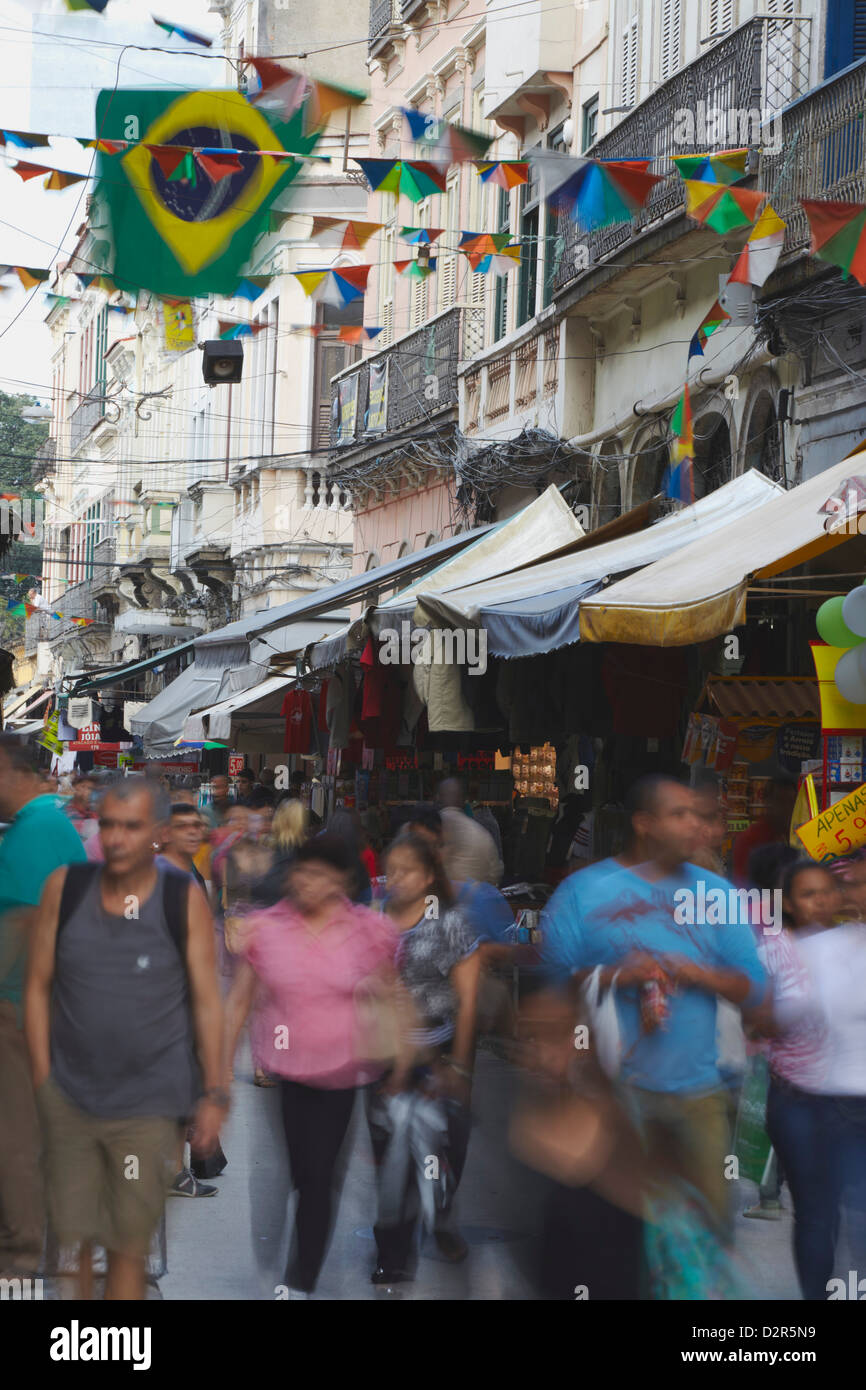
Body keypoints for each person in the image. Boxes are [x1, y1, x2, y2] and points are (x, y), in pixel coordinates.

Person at [24, 776, 226, 1300]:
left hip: (147, 1104)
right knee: (76, 1242)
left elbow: (208, 1002)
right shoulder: (65, 890)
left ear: (156, 833)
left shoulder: (182, 902)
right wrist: (44, 1077)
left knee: (127, 1246)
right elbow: (38, 987)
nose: (115, 838)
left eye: (131, 827)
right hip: (70, 1098)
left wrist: (214, 1093)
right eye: (108, 824)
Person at [542, 774, 766, 1236]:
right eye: (679, 814)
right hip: (615, 1099)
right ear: (645, 823)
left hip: (700, 1096)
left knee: (706, 1235)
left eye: (697, 815)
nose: (694, 826)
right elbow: (552, 987)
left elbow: (756, 988)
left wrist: (699, 974)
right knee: (624, 1235)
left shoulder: (715, 894)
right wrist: (620, 974)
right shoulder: (585, 893)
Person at [223, 835, 398, 1299]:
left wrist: (400, 1061)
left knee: (319, 1178)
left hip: (342, 1072)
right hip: (286, 1071)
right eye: (302, 871)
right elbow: (239, 1001)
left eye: (321, 874)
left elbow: (391, 994)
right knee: (297, 1173)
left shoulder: (367, 929)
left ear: (342, 880)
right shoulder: (267, 927)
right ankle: (292, 1257)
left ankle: (298, 1282)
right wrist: (220, 1075)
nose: (308, 882)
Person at [367, 833, 482, 1283]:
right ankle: (392, 1256)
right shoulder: (375, 922)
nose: (396, 880)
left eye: (407, 871)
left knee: (446, 1150)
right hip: (385, 1055)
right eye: (390, 870)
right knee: (388, 1157)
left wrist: (459, 1065)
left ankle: (444, 1218)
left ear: (430, 877)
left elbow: (468, 1001)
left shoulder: (450, 923)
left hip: (439, 1054)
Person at [0, 736, 87, 1277]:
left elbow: (29, 925)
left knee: (17, 1138)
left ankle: (19, 1258)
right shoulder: (53, 821)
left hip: (19, 1008)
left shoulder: (35, 830)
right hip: (38, 1005)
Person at [760, 859, 866, 1300]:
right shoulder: (791, 950)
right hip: (803, 1103)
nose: (838, 895)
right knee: (819, 1217)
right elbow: (761, 1024)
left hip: (848, 1105)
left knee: (851, 1219)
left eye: (850, 885)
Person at [732, 774, 798, 884]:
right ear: (767, 802)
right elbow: (743, 884)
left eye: (791, 802)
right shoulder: (750, 838)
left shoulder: (798, 834)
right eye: (780, 801)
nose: (786, 807)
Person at [437, 778, 503, 886]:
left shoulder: (426, 831)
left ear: (438, 797)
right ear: (463, 800)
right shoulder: (482, 834)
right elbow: (495, 873)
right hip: (473, 900)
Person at [159, 804, 208, 891]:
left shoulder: (193, 873)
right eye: (181, 826)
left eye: (197, 825)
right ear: (165, 834)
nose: (192, 831)